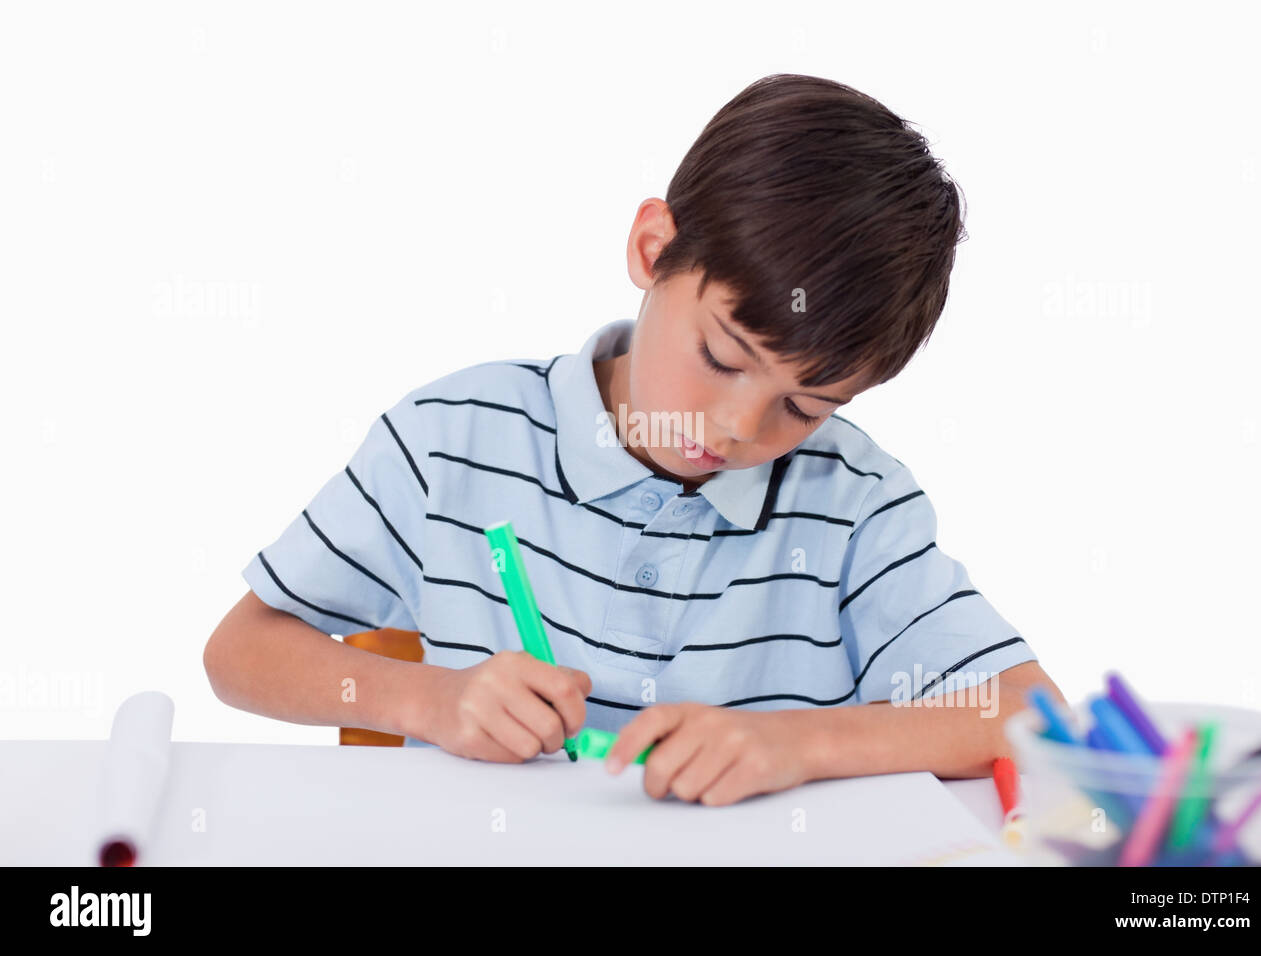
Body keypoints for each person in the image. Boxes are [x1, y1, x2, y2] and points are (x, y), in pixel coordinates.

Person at [205, 73, 1067, 807]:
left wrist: (795, 746)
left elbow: (1028, 715)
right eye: (722, 357)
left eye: (804, 407)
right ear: (654, 249)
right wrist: (428, 700)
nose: (739, 429)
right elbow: (240, 652)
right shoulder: (453, 441)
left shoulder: (854, 506)